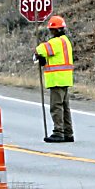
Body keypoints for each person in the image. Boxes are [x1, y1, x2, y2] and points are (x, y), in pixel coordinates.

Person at [36, 15, 75, 143]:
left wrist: (39, 55)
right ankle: (68, 133)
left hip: (57, 79)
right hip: (65, 79)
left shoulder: (57, 42)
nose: (51, 32)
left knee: (56, 107)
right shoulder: (66, 41)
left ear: (57, 29)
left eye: (52, 30)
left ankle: (58, 132)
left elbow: (41, 49)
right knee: (65, 107)